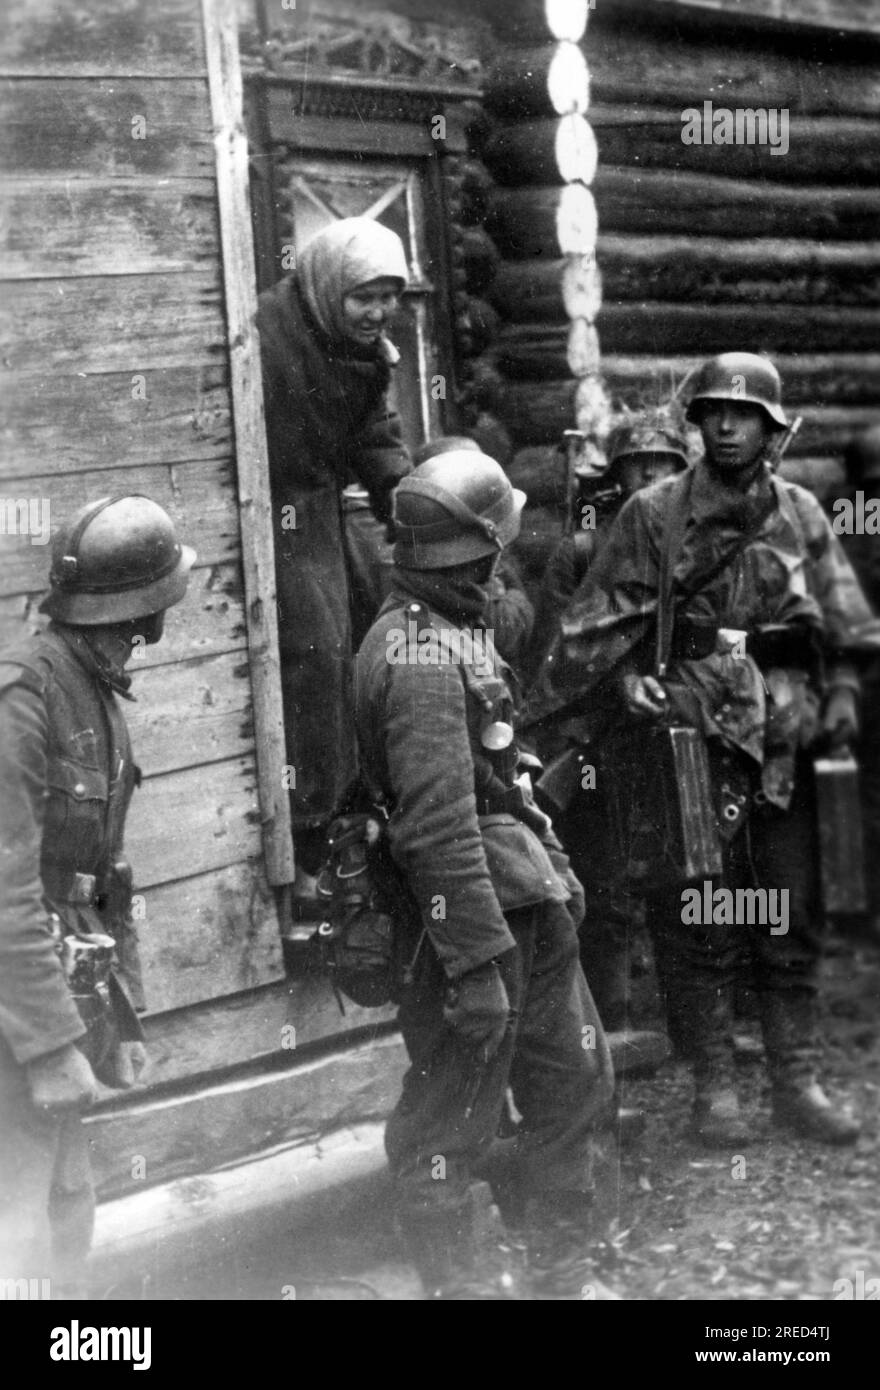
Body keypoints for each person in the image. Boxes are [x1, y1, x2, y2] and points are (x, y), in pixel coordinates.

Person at [556, 352, 880, 1147]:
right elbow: (590, 626)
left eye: (747, 416)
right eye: (715, 414)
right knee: (695, 915)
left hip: (778, 741)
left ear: (774, 429)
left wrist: (837, 693)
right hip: (688, 736)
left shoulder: (801, 512)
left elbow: (846, 624)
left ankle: (796, 1082)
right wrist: (629, 677)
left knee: (788, 911)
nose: (729, 427)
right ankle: (715, 1089)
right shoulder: (652, 515)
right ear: (696, 424)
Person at [354, 449, 615, 1300]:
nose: (505, 559)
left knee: (571, 1086)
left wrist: (556, 866)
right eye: (500, 545)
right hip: (470, 926)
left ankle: (561, 1277)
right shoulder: (419, 655)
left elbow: (501, 774)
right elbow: (435, 829)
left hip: (525, 904)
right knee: (450, 1119)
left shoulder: (453, 627)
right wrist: (472, 968)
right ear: (481, 552)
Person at [0, 495, 195, 1296]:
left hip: (61, 997)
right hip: (15, 1016)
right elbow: (4, 888)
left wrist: (121, 1018)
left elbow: (106, 879)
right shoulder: (24, 699)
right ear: (140, 615)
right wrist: (47, 1047)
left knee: (65, 1212)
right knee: (17, 1225)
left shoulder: (97, 691)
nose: (149, 637)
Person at [257, 218, 412, 889]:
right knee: (313, 649)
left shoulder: (368, 351)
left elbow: (376, 435)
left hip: (314, 504)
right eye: (362, 297)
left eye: (388, 296)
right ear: (327, 288)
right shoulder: (268, 337)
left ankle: (349, 808)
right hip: (264, 504)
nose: (377, 312)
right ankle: (306, 821)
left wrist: (410, 505)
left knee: (351, 637)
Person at [525, 416, 689, 1028]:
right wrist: (617, 683)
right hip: (600, 741)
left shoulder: (694, 546)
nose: (649, 472)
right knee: (606, 880)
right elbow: (554, 650)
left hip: (678, 734)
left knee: (689, 875)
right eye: (636, 461)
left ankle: (694, 1023)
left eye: (664, 461)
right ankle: (612, 1025)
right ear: (616, 472)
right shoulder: (582, 550)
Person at [828, 424, 880, 934]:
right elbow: (853, 582)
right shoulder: (857, 512)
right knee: (866, 791)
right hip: (864, 669)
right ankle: (862, 908)